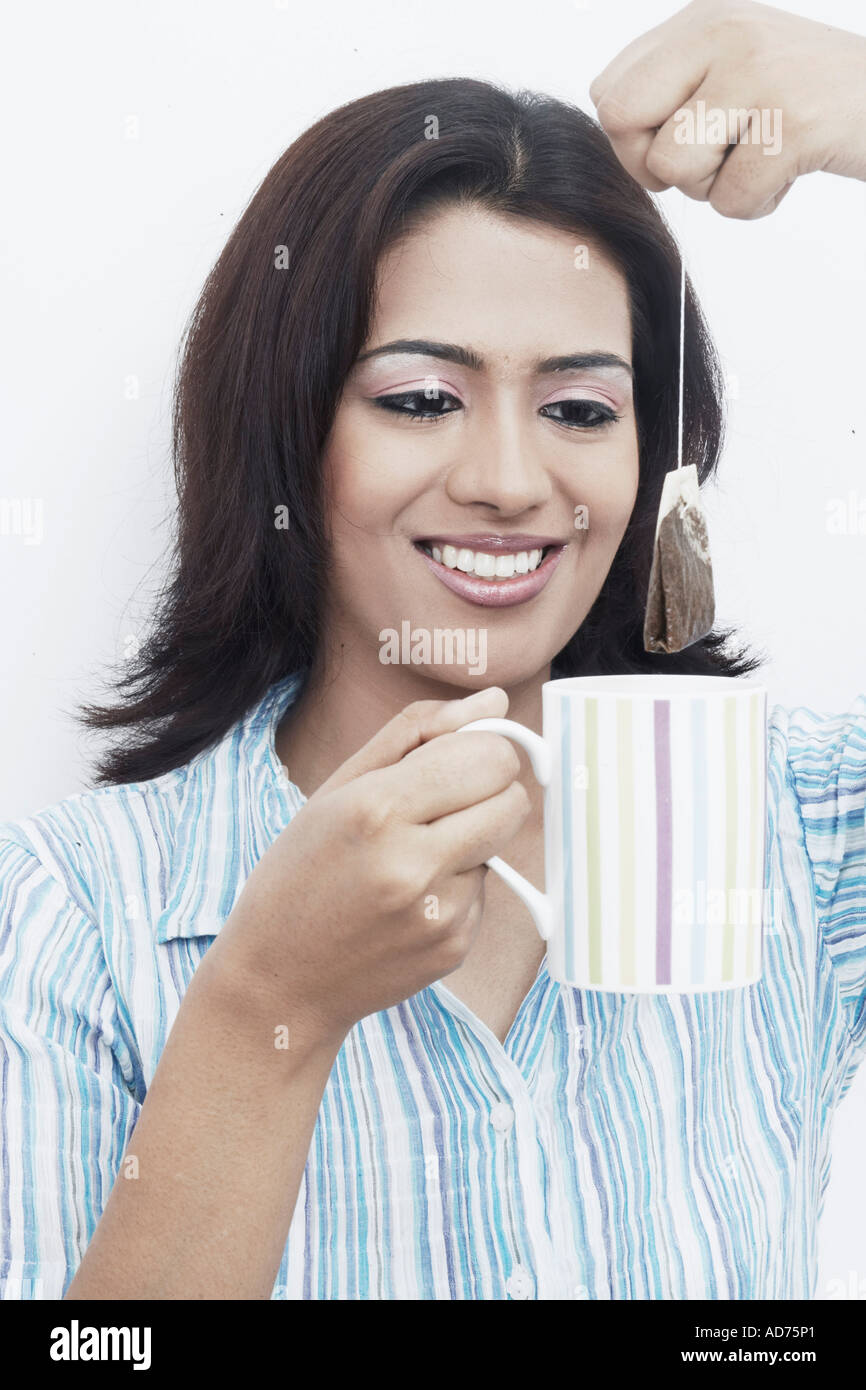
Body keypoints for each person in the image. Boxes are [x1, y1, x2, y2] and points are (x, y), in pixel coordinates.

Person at [1, 0, 864, 1301]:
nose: (511, 480)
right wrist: (261, 1015)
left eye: (579, 407)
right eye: (419, 398)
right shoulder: (76, 911)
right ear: (291, 432)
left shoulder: (800, 826)